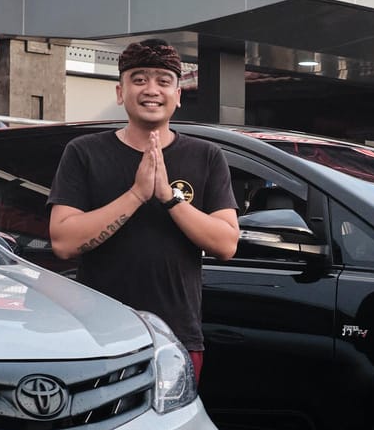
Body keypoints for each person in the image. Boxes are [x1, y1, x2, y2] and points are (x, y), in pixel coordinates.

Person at [47, 39, 239, 382]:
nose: (151, 89)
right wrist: (137, 194)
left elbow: (226, 244)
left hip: (177, 334)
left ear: (178, 95)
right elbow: (63, 241)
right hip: (100, 335)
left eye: (163, 81)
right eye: (139, 79)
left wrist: (168, 197)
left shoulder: (207, 156)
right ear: (120, 93)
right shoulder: (84, 153)